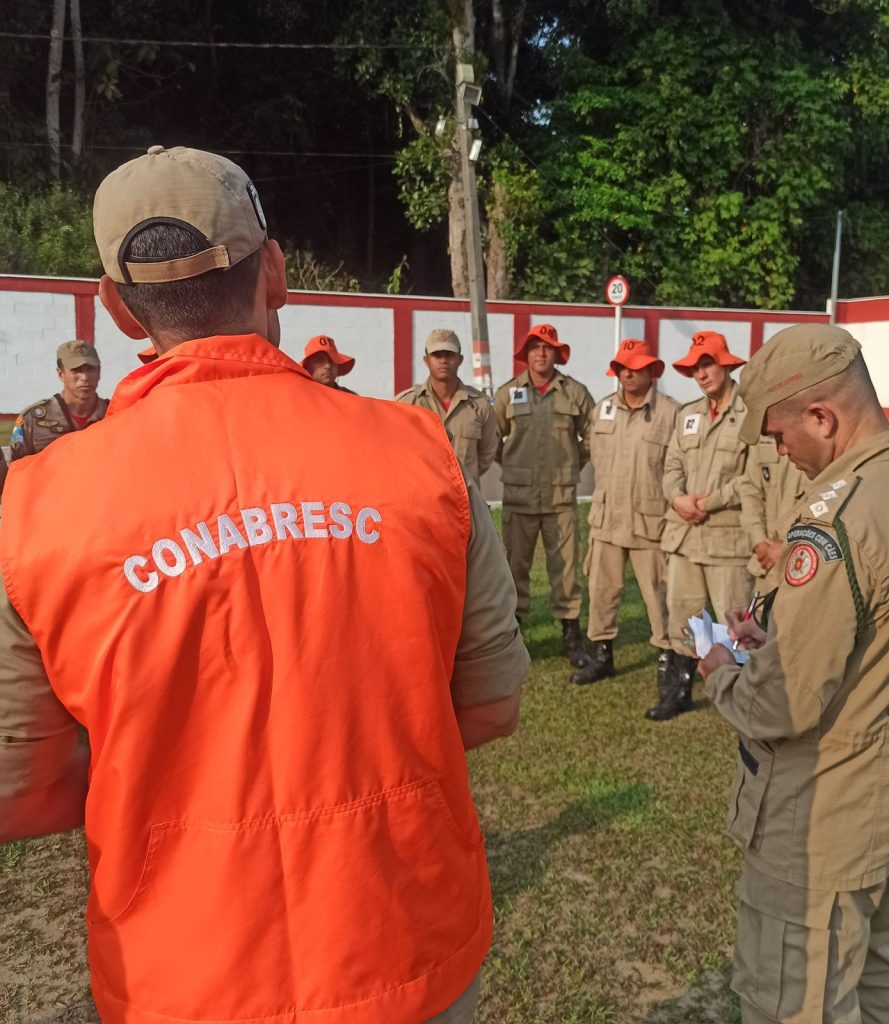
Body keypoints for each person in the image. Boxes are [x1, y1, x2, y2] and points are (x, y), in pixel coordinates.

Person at [0, 145, 530, 1024]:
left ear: (119, 311)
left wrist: (170, 768)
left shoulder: (40, 501)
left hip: (182, 976)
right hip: (404, 951)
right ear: (276, 272)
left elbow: (24, 788)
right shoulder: (420, 454)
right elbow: (492, 704)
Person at [699, 324, 889, 1024]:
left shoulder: (838, 520)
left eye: (780, 436)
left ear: (822, 416)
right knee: (877, 977)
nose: (781, 455)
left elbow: (781, 703)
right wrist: (784, 631)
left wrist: (721, 669)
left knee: (796, 999)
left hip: (826, 816)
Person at [572, 339, 679, 702]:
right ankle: (602, 656)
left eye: (636, 367)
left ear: (652, 371)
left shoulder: (671, 414)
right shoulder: (602, 410)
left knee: (659, 595)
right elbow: (591, 453)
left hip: (651, 522)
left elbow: (680, 469)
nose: (628, 373)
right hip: (606, 519)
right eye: (622, 367)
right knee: (602, 592)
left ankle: (669, 658)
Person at [660, 331, 752, 717]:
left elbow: (751, 477)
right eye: (695, 367)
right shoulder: (688, 414)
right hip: (685, 536)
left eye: (707, 364)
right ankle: (681, 689)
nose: (701, 374)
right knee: (684, 616)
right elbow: (671, 466)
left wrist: (709, 503)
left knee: (735, 621)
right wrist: (677, 498)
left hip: (727, 538)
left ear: (726, 364)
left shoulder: (750, 414)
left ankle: (745, 696)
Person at [494, 323, 595, 668]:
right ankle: (514, 634)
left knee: (565, 570)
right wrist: (515, 467)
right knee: (514, 568)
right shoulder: (508, 393)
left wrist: (570, 466)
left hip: (560, 499)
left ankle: (571, 636)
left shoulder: (575, 393)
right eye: (534, 347)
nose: (540, 353)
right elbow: (494, 442)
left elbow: (593, 438)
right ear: (526, 354)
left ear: (557, 354)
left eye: (547, 348)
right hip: (519, 499)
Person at [396, 329, 499, 487]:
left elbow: (486, 455)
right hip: (421, 496)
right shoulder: (407, 404)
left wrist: (463, 477)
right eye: (437, 355)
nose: (443, 360)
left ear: (460, 359)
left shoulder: (479, 405)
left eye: (449, 355)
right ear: (426, 360)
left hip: (464, 499)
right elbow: (397, 451)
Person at [9, 340, 108, 460]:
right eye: (76, 370)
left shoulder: (115, 413)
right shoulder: (31, 420)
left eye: (90, 369)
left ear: (99, 372)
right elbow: (15, 470)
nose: (85, 377)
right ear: (61, 374)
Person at [740, 436, 807, 587]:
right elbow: (750, 488)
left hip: (805, 564)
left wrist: (789, 547)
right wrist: (759, 541)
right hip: (766, 563)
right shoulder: (766, 430)